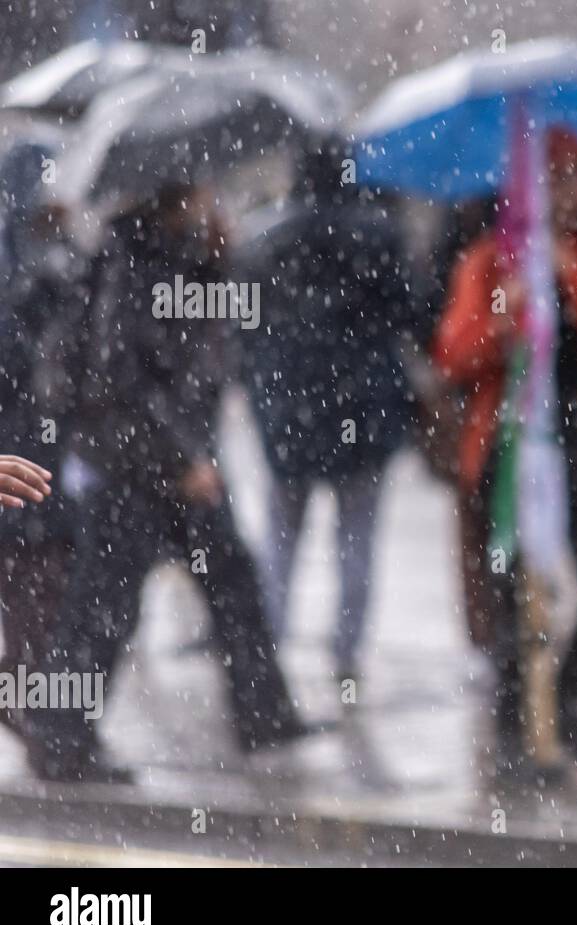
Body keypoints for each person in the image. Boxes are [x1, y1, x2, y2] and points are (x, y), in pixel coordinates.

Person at [22, 182, 318, 783]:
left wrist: (216, 260)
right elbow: (120, 378)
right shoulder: (131, 263)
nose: (213, 199)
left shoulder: (178, 257)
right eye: (202, 192)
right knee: (102, 606)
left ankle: (264, 714)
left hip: (174, 460)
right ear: (172, 196)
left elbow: (201, 348)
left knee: (230, 579)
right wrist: (182, 458)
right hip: (137, 466)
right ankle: (59, 738)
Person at [435, 128, 577, 770]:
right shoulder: (490, 262)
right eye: (558, 177)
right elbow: (453, 351)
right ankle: (514, 731)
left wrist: (568, 278)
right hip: (506, 442)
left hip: (575, 436)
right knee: (509, 591)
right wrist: (506, 322)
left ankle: (567, 703)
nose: (572, 191)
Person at [241, 137, 425, 682]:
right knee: (357, 538)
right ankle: (345, 657)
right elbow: (409, 316)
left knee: (281, 540)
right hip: (363, 411)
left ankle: (269, 648)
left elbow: (244, 333)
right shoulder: (380, 236)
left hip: (286, 414)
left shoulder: (263, 240)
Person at [0, 142, 83, 741]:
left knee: (43, 589)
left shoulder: (61, 259)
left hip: (47, 453)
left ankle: (26, 699)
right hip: (19, 453)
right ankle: (26, 702)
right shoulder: (23, 266)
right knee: (31, 589)